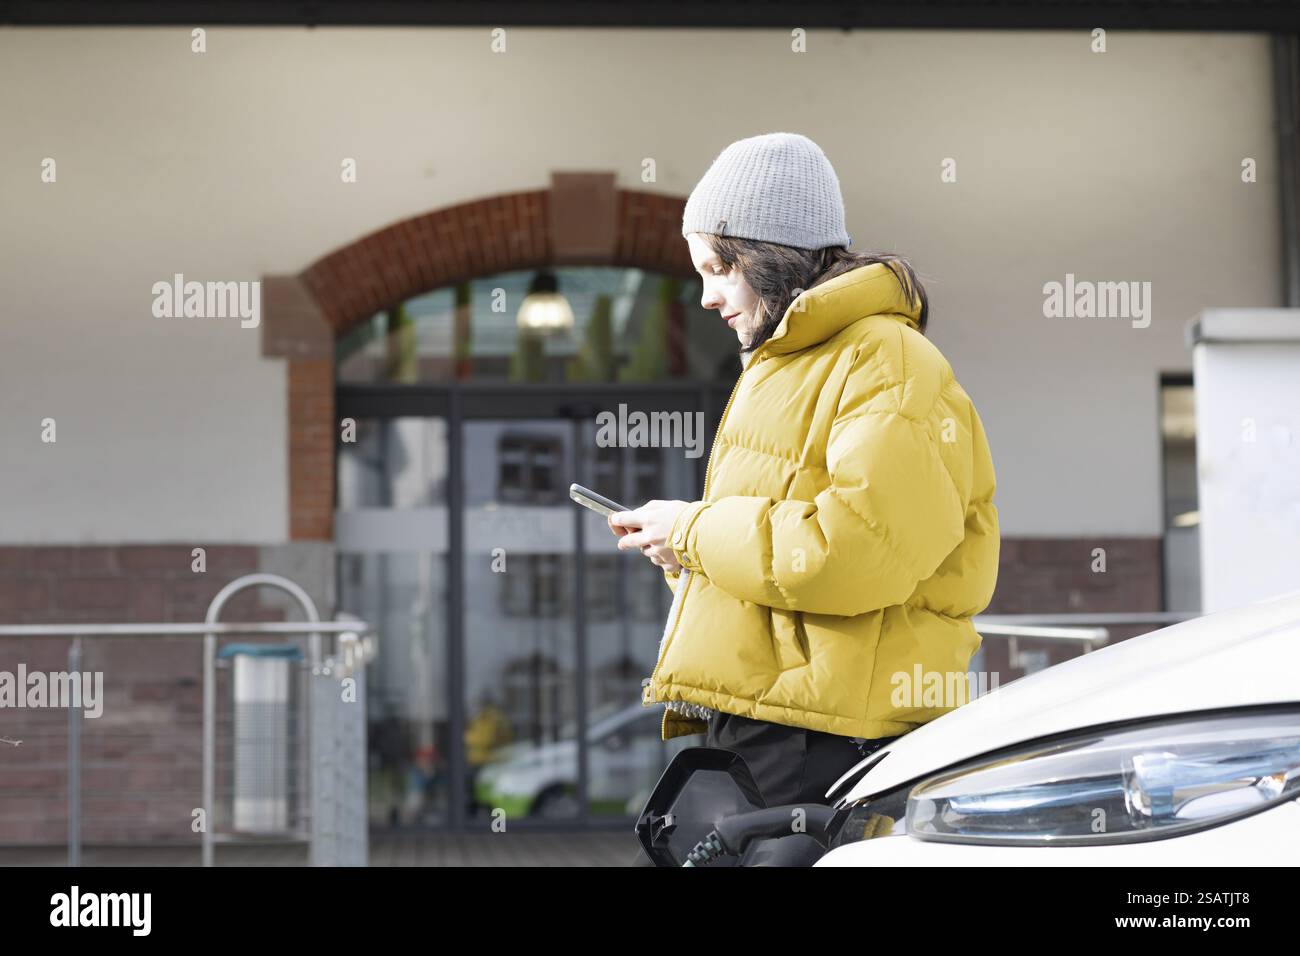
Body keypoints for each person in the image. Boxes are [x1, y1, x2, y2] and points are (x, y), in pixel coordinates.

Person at [610, 132, 1000, 863]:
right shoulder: (792, 362)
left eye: (720, 267)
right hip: (778, 719)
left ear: (773, 254)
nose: (707, 295)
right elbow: (784, 557)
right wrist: (682, 551)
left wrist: (693, 531)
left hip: (824, 733)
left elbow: (856, 551)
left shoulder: (885, 360)